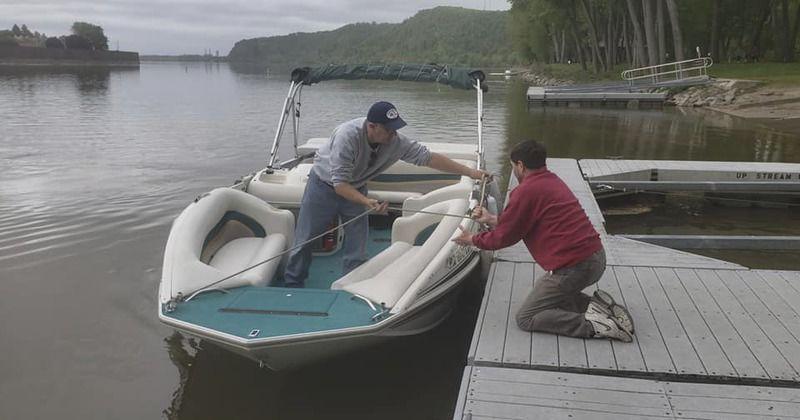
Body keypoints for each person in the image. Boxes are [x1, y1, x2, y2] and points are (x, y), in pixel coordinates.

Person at [283, 101, 487, 288]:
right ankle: (293, 283)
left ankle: (351, 285)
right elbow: (340, 185)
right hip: (323, 187)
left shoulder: (396, 141)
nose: (394, 134)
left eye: (396, 129)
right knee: (305, 239)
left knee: (358, 245)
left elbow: (429, 158)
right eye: (389, 130)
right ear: (371, 127)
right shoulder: (347, 136)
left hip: (357, 185)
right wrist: (367, 201)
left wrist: (470, 172)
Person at [452, 140, 635, 342]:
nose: (513, 171)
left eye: (513, 167)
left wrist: (472, 239)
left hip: (575, 267)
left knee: (526, 317)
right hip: (595, 257)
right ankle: (600, 306)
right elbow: (520, 223)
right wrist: (491, 219)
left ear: (520, 165)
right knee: (551, 300)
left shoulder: (525, 191)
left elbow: (505, 237)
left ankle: (594, 325)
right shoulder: (551, 180)